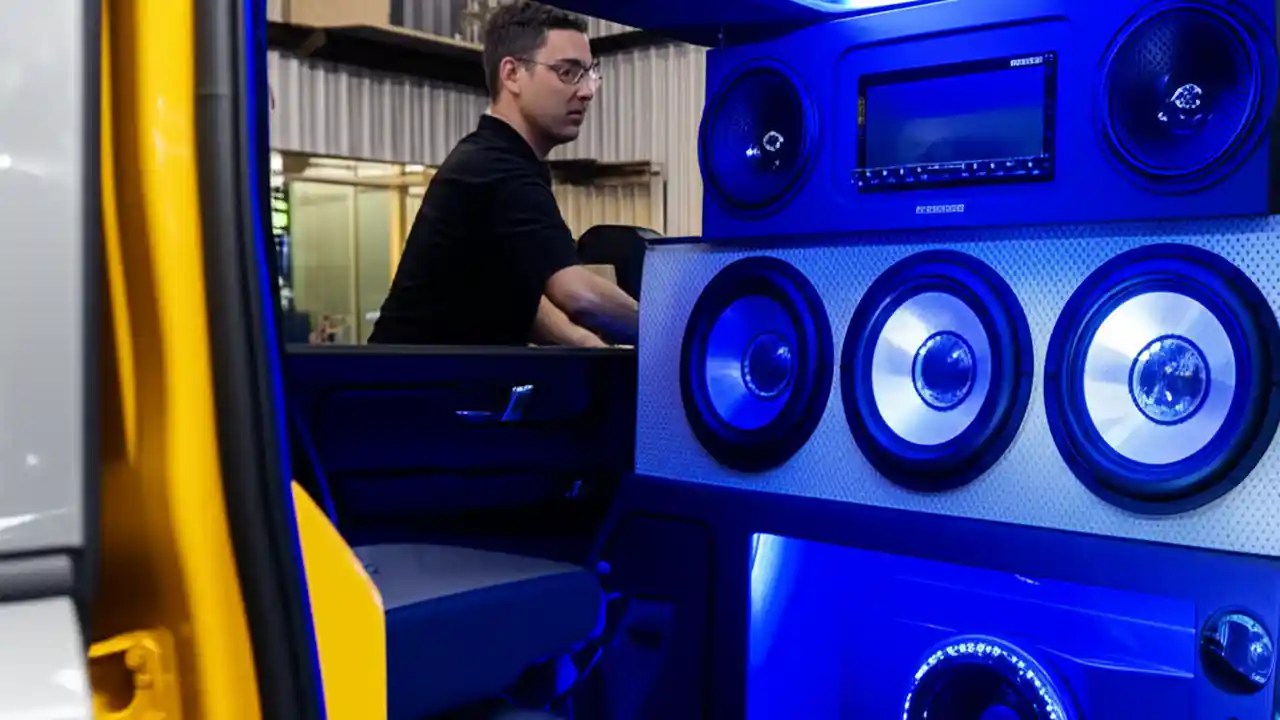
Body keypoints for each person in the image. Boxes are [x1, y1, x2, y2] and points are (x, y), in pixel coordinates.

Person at [369, 2, 639, 348]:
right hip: (407, 394)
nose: (586, 91)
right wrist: (676, 335)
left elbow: (529, 307)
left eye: (589, 73)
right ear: (511, 74)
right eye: (568, 72)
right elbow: (578, 294)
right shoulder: (495, 169)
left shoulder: (502, 160)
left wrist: (591, 347)